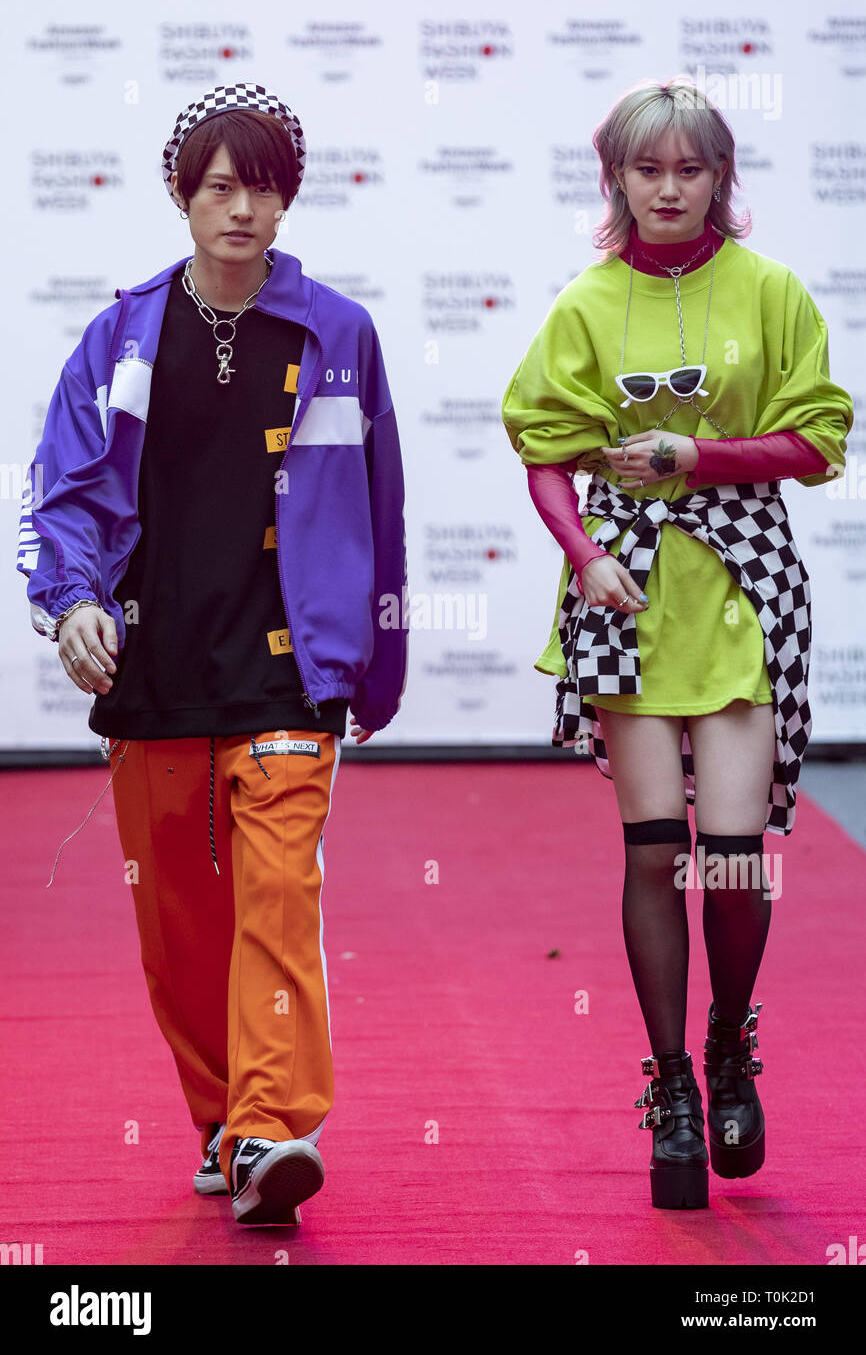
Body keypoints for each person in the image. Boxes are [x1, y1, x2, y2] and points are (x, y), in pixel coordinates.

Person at [17, 83, 408, 1226]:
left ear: (288, 196)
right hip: (155, 671)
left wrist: (373, 664)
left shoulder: (338, 332)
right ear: (182, 196)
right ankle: (221, 1123)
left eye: (263, 185)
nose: (241, 207)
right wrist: (72, 603)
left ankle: (273, 1129)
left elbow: (379, 505)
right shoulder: (123, 332)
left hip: (289, 671)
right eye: (219, 185)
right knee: (182, 925)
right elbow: (65, 496)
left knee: (276, 898)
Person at [501, 78, 852, 1210]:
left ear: (718, 178)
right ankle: (667, 1086)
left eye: (687, 169)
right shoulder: (584, 304)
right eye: (645, 169)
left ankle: (730, 1043)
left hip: (743, 587)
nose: (666, 188)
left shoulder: (772, 290)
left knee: (735, 852)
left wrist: (697, 459)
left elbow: (816, 437)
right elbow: (544, 449)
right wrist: (580, 553)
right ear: (615, 179)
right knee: (654, 849)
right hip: (626, 595)